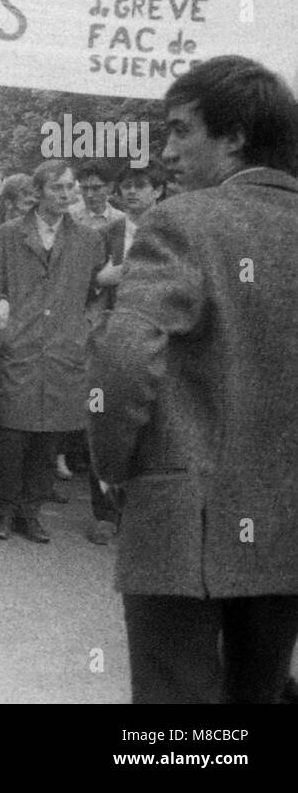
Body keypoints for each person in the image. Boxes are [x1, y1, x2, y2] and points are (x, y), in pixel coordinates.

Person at [89, 56, 298, 703]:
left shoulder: (181, 221)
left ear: (233, 136)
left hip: (182, 521)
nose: (167, 151)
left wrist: (111, 464)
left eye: (181, 131)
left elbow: (125, 357)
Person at [0, 159, 105, 543]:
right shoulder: (5, 235)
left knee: (48, 438)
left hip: (64, 350)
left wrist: (84, 331)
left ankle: (30, 512)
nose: (65, 194)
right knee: (11, 435)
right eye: (56, 188)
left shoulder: (88, 239)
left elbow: (98, 294)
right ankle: (4, 510)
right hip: (20, 347)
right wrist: (3, 332)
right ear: (38, 192)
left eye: (70, 187)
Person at [83, 159, 167, 545]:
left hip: (160, 337)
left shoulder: (174, 231)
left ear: (158, 190)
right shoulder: (108, 231)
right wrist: (104, 277)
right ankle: (103, 514)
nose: (131, 191)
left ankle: (141, 515)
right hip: (112, 335)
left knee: (153, 428)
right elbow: (86, 280)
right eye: (127, 186)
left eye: (141, 185)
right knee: (103, 419)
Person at [71, 159, 126, 231]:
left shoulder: (120, 219)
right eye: (84, 188)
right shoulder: (70, 216)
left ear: (110, 187)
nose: (89, 195)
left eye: (95, 188)